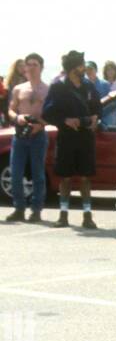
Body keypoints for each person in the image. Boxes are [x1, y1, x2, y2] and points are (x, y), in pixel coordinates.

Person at [41, 49, 103, 228]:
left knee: (85, 177)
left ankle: (87, 215)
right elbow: (48, 112)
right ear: (73, 67)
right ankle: (63, 215)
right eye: (81, 64)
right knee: (65, 177)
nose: (84, 67)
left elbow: (98, 109)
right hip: (67, 137)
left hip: (85, 137)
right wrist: (65, 121)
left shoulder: (89, 86)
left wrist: (94, 119)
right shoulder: (58, 86)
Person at [4, 53, 49, 224]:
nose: (30, 67)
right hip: (20, 135)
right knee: (15, 173)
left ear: (41, 67)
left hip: (38, 135)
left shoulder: (48, 89)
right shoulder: (19, 89)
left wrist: (41, 124)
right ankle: (19, 208)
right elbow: (10, 110)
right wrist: (18, 118)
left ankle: (36, 210)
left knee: (38, 174)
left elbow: (52, 113)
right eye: (28, 64)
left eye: (34, 64)